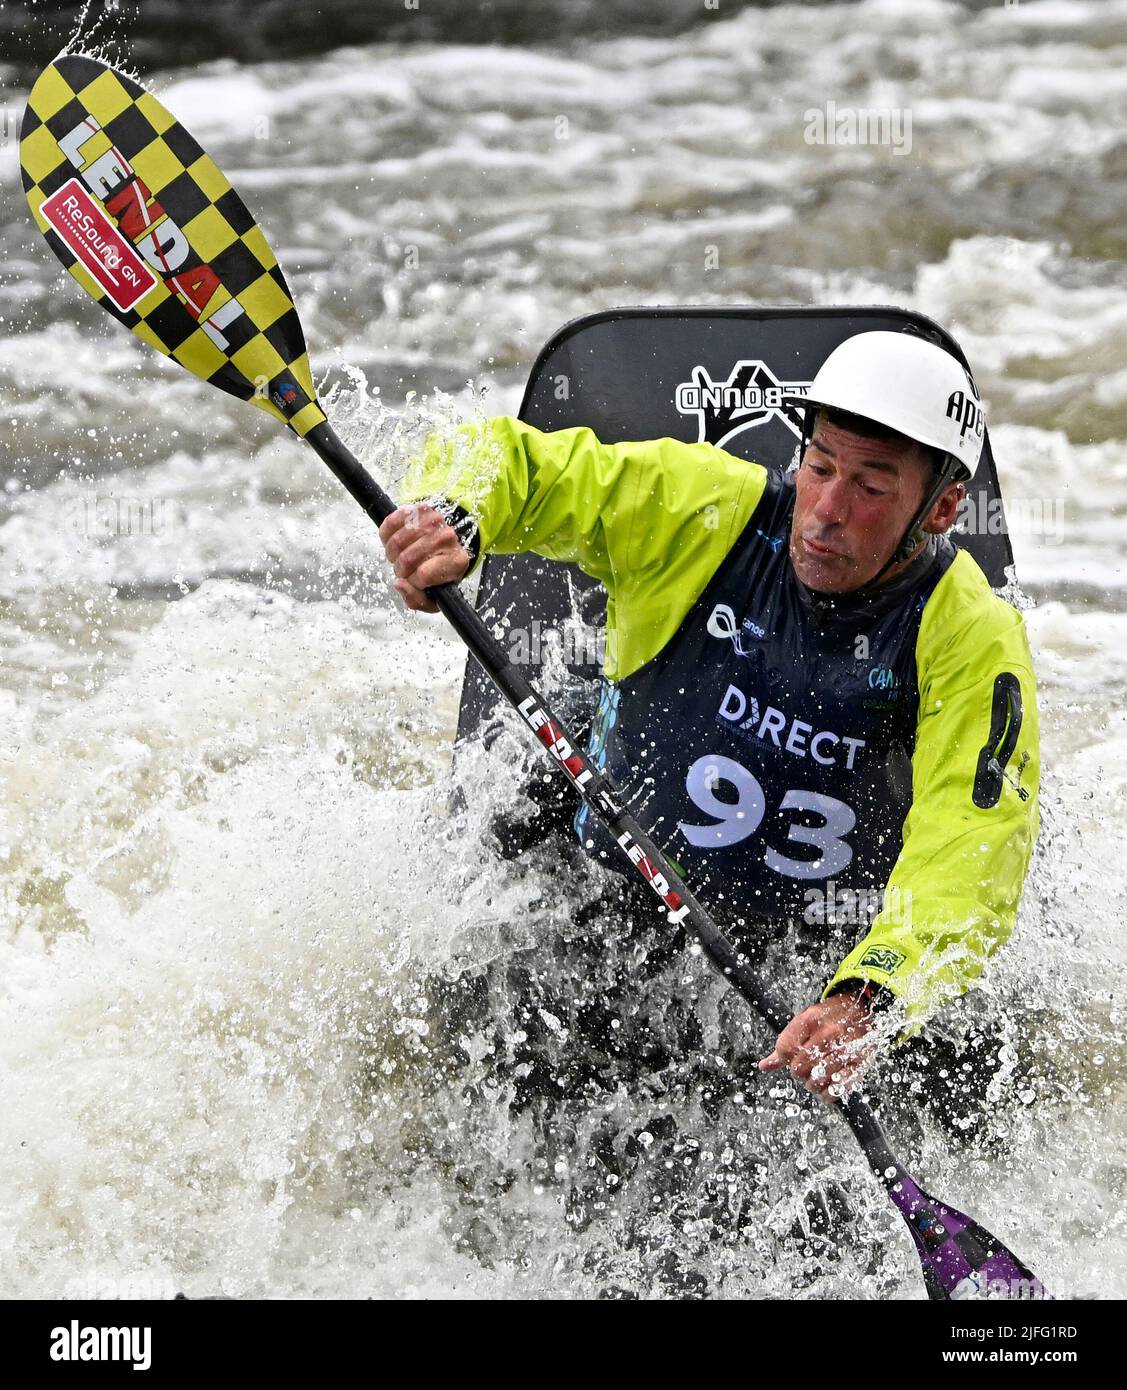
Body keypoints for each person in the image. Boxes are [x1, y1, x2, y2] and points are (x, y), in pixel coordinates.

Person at [379, 330, 1040, 1111]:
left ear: (943, 507)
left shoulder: (970, 633)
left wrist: (866, 999)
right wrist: (453, 512)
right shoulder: (703, 506)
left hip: (811, 969)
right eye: (820, 466)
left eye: (870, 488)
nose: (825, 511)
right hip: (602, 908)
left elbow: (971, 847)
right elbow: (508, 459)